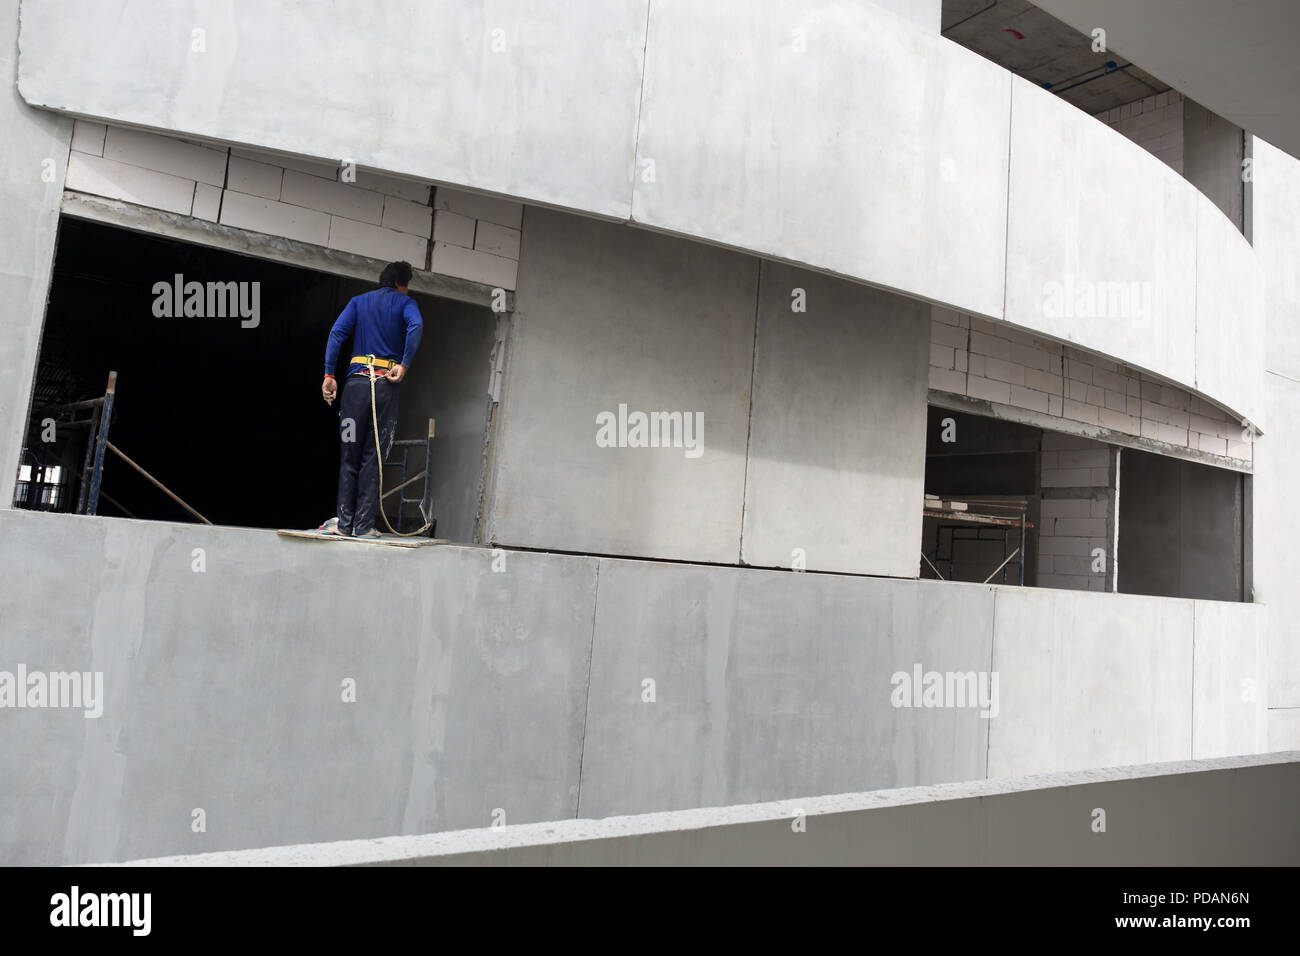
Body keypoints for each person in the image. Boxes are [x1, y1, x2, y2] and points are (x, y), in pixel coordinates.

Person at [321, 261, 423, 537]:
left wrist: (329, 374)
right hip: (383, 389)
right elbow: (416, 326)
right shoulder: (405, 303)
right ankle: (364, 526)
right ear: (402, 284)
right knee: (373, 456)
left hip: (354, 390)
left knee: (349, 452)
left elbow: (337, 333)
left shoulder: (357, 302)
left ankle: (344, 525)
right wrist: (403, 364)